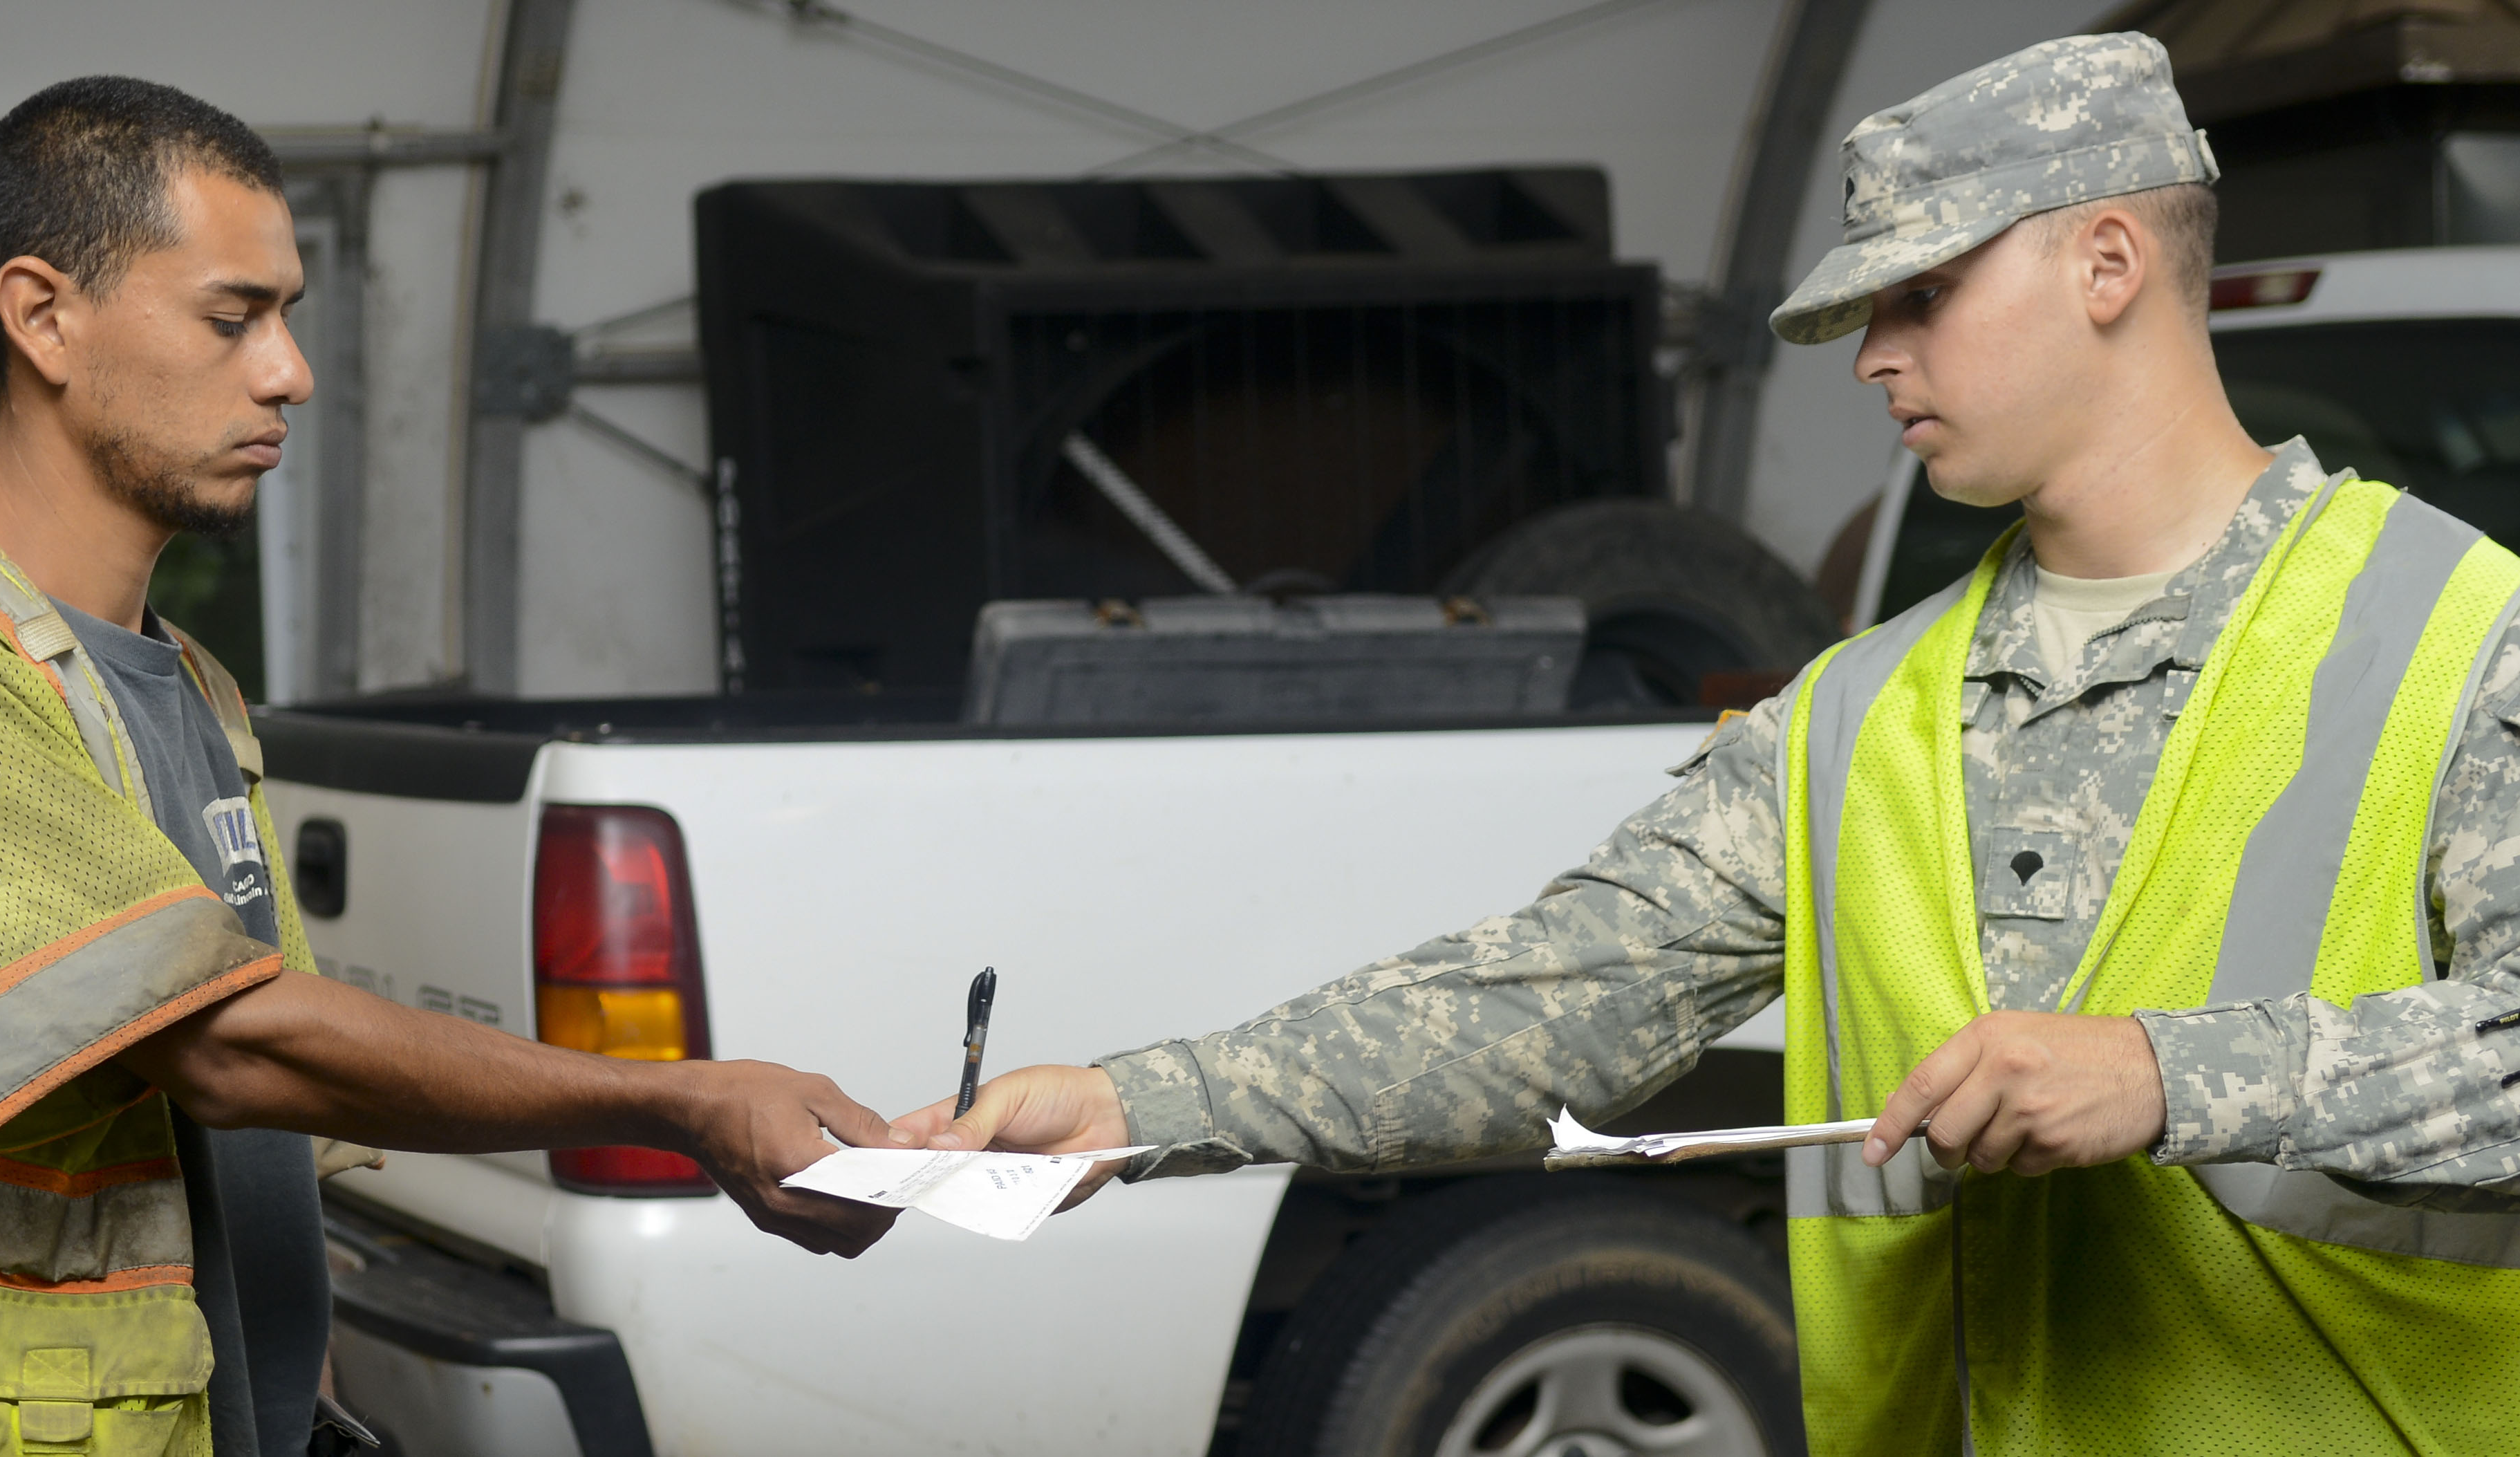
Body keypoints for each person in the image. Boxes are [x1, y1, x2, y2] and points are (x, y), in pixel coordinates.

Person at [900, 33, 2520, 1454]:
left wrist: (2169, 1073)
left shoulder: (2459, 633)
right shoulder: (1849, 717)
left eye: (1922, 293)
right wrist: (1136, 1103)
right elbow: (1544, 1001)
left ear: (2106, 263)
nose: (1877, 354)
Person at [0, 77, 899, 1457]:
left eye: (289, 317)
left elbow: (259, 1140)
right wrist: (677, 1096)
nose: (288, 370)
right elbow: (227, 1043)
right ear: (41, 314)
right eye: (234, 317)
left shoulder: (187, 694)